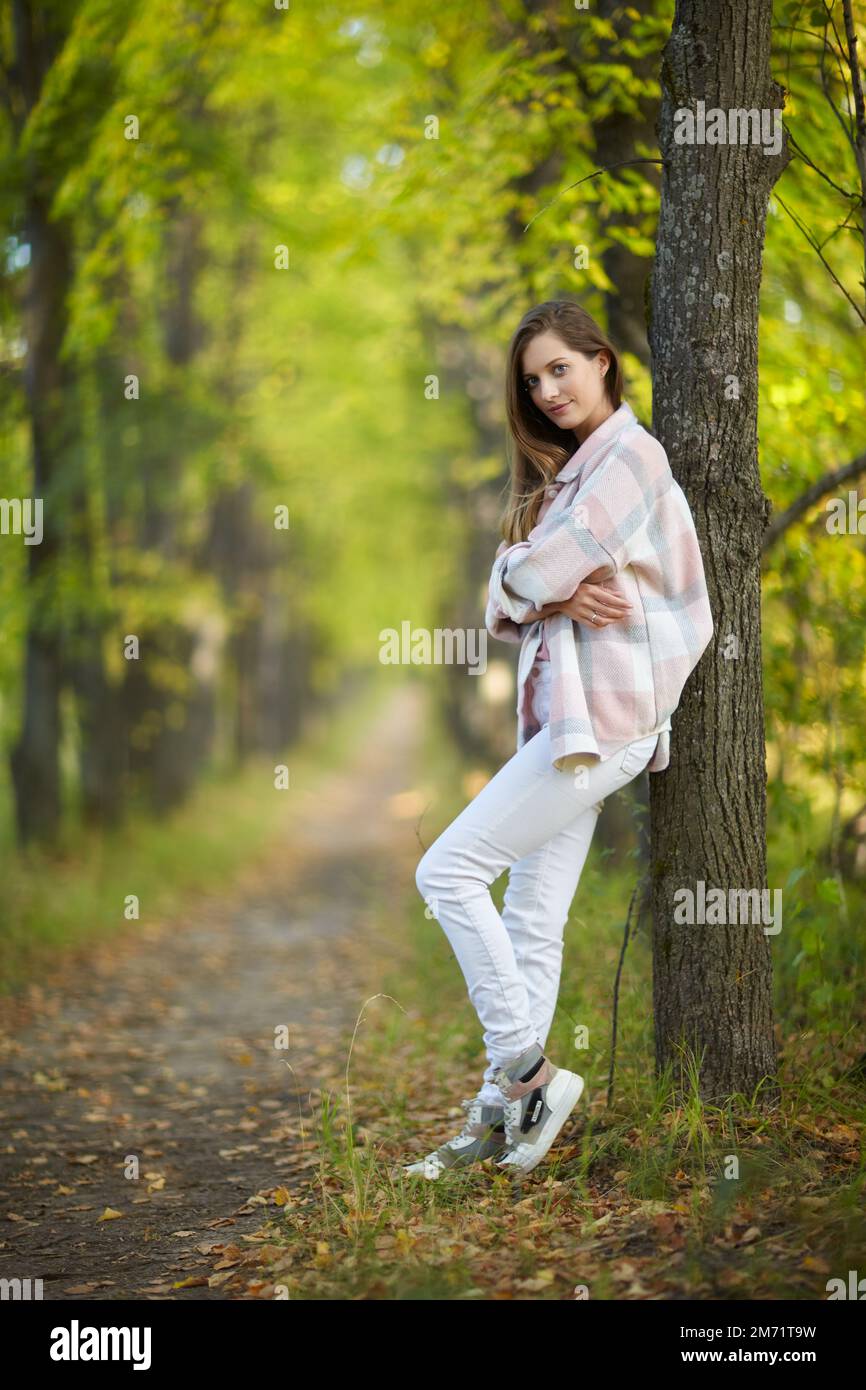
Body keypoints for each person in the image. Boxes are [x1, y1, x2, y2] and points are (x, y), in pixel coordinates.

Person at [405, 299, 714, 1179]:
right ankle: (504, 1116)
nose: (546, 391)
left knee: (447, 870)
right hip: (565, 722)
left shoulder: (630, 459)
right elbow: (517, 587)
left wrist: (536, 581)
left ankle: (528, 1070)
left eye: (560, 370)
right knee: (530, 919)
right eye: (533, 380)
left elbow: (526, 573)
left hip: (607, 721)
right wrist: (542, 585)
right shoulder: (575, 475)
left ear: (602, 363)